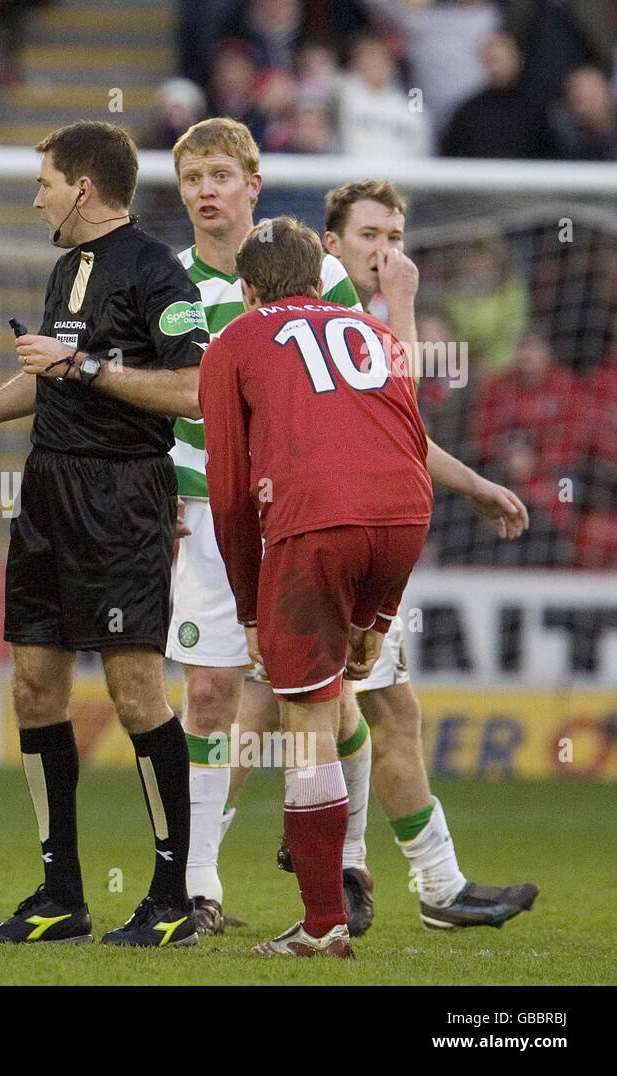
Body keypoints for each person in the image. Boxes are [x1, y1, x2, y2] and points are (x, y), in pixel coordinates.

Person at [0, 121, 209, 947]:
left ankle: (173, 898)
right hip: (48, 490)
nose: (35, 198)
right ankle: (59, 895)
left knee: (137, 690)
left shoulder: (156, 269)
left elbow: (195, 390)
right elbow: (46, 374)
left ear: (84, 188)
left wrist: (86, 368)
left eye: (44, 183)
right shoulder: (69, 265)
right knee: (34, 685)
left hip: (121, 498)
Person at [200, 216, 434, 957]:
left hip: (315, 525)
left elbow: (231, 494)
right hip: (404, 515)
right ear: (320, 277)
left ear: (245, 290)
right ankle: (353, 888)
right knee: (344, 691)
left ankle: (323, 924)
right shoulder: (373, 333)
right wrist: (381, 613)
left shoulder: (233, 341)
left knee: (307, 722)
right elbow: (411, 443)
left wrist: (245, 606)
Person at [165, 117, 370, 937]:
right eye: (191, 179)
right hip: (205, 512)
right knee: (211, 691)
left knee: (336, 698)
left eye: (220, 175)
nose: (206, 191)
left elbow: (354, 379)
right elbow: (172, 397)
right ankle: (199, 883)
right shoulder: (169, 286)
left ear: (253, 184)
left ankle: (349, 861)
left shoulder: (318, 272)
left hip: (304, 510)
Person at [320, 178, 539, 928]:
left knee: (378, 710)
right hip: (330, 535)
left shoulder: (343, 314)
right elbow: (399, 401)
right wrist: (407, 306)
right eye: (370, 236)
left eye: (395, 237)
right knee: (300, 710)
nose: (386, 252)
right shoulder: (332, 317)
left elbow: (396, 432)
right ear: (332, 244)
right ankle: (222, 882)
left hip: (355, 535)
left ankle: (411, 882)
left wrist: (473, 482)